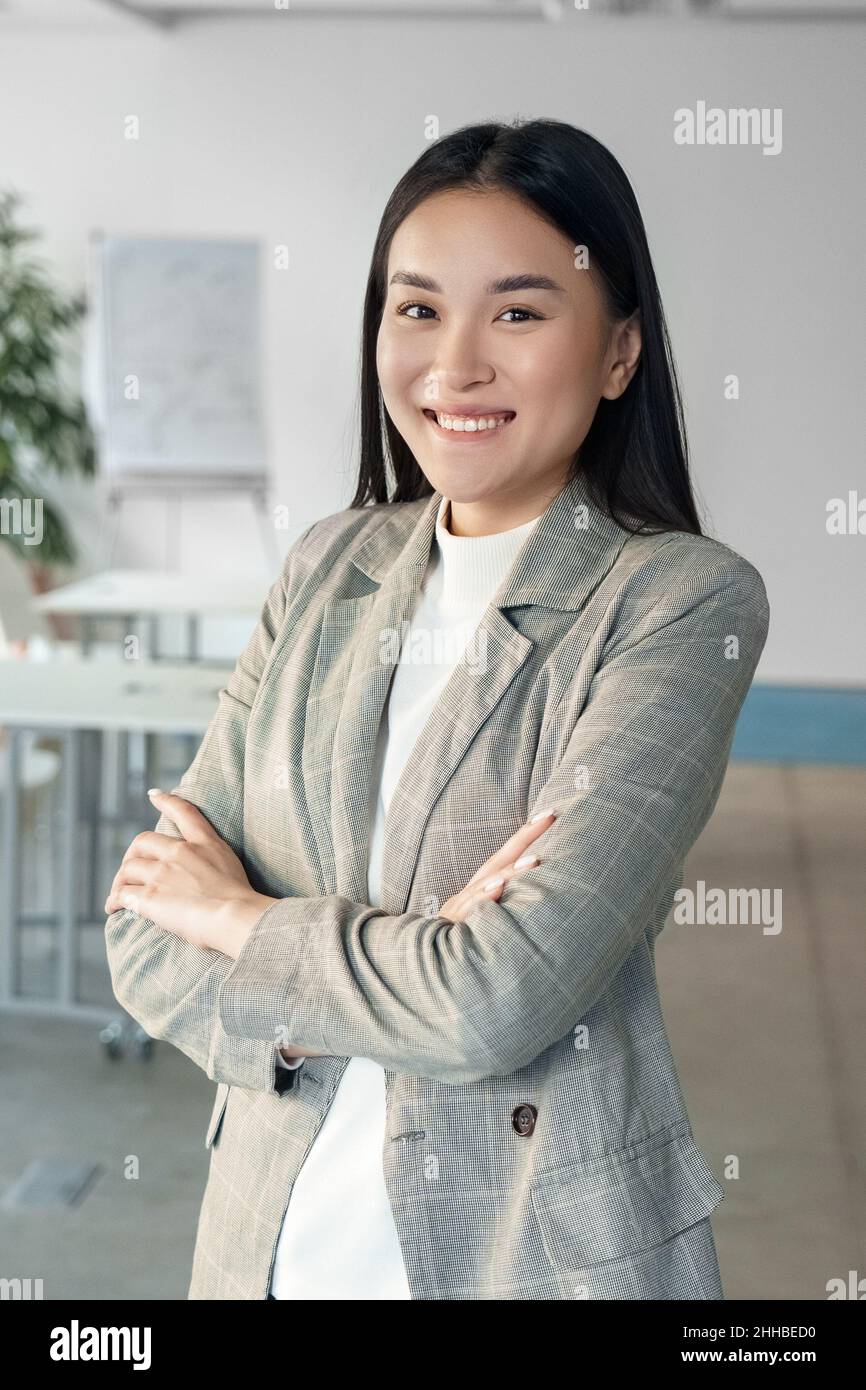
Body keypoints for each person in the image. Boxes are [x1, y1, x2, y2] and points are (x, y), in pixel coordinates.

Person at [105, 118, 770, 1301]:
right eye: (416, 309)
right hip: (268, 1244)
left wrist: (240, 918)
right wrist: (405, 960)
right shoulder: (326, 566)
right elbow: (144, 939)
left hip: (532, 1258)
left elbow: (497, 999)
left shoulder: (676, 601)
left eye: (517, 312)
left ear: (618, 352)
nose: (453, 364)